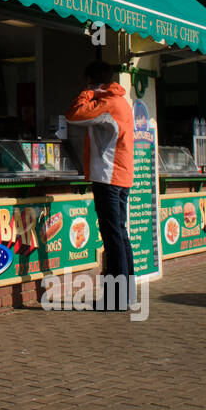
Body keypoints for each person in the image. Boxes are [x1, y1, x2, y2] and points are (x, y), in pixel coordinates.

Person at [65, 61, 136, 311]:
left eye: (87, 82)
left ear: (94, 81)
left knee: (113, 236)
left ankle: (115, 299)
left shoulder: (106, 102)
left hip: (108, 176)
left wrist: (91, 92)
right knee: (121, 234)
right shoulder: (121, 101)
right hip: (122, 176)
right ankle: (127, 296)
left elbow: (74, 114)